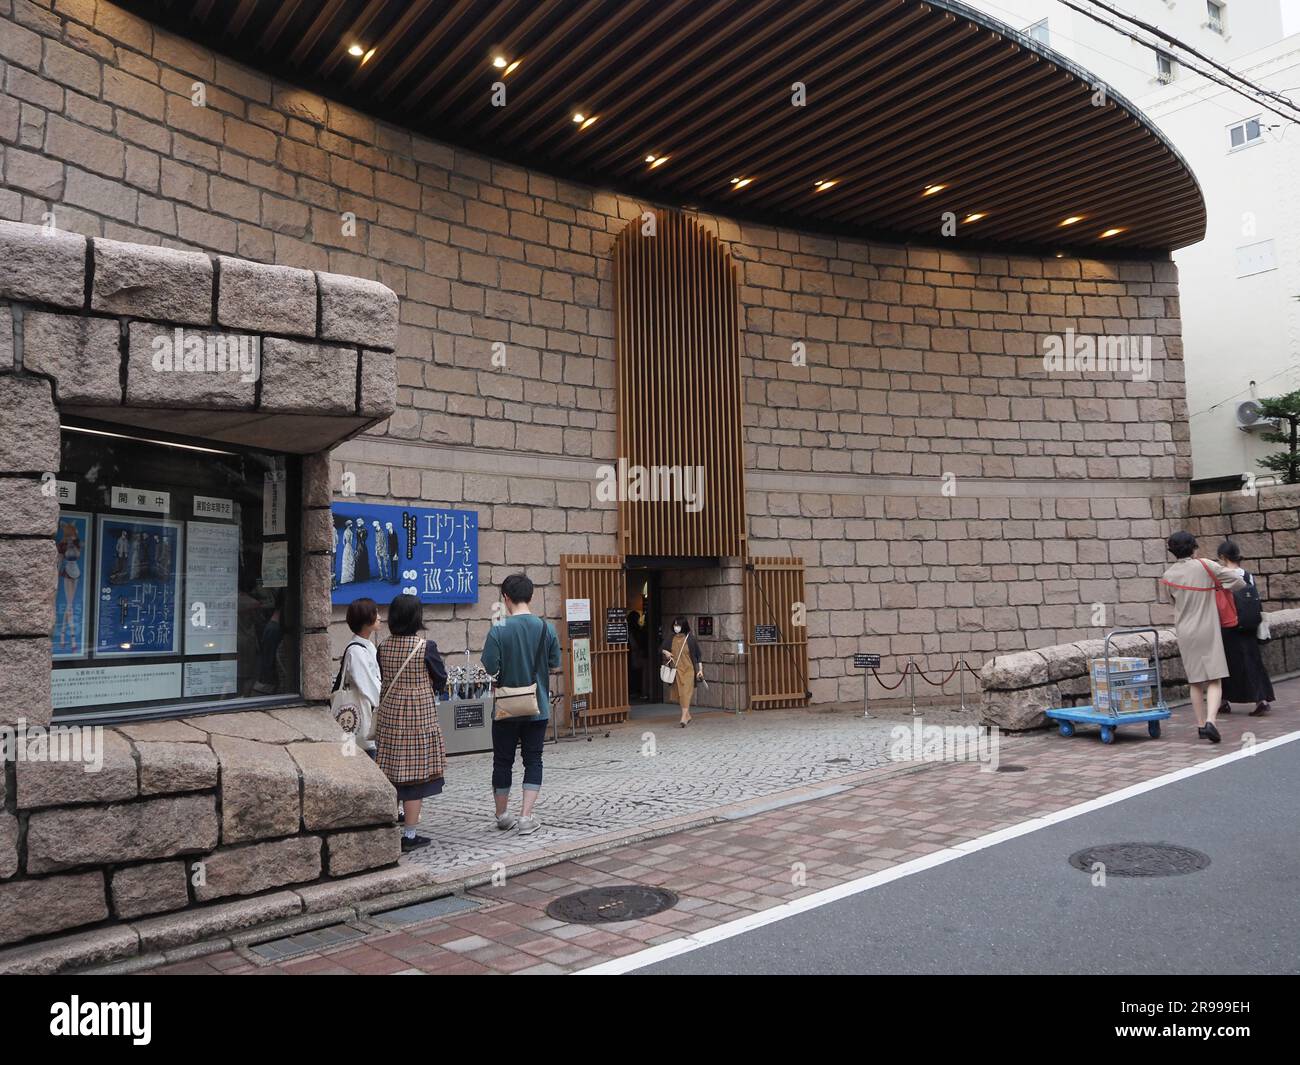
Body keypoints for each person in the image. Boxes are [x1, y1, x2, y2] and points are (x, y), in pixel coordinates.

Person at [481, 573, 560, 835]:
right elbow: (553, 663)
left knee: (502, 761)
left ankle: (503, 815)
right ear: (531, 595)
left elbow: (490, 666)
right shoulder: (546, 627)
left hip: (505, 708)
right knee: (533, 760)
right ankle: (526, 817)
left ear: (506, 597)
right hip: (536, 707)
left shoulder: (499, 628)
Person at [1159, 531, 1246, 744]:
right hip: (1208, 628)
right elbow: (1237, 581)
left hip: (1185, 630)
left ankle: (1199, 725)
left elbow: (1171, 602)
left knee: (1195, 680)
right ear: (1194, 547)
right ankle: (1211, 721)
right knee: (1214, 678)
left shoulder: (1168, 575)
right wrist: (1220, 586)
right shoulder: (1206, 565)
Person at [376, 593, 447, 852]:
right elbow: (440, 678)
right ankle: (410, 834)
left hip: (391, 713)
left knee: (392, 767)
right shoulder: (425, 647)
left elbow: (382, 676)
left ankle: (390, 820)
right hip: (418, 715)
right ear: (417, 617)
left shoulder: (382, 647)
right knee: (415, 775)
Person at [1215, 540, 1274, 717]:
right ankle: (1261, 699)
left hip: (1228, 625)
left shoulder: (1223, 576)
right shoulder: (1248, 575)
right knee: (1252, 662)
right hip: (1249, 624)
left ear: (1223, 557)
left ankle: (1224, 701)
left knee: (1225, 664)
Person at [335, 597, 382, 752]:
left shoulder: (365, 646)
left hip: (365, 711)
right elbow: (368, 685)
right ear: (366, 618)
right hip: (362, 713)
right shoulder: (356, 651)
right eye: (376, 613)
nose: (380, 617)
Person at [661, 615, 704, 727]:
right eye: (675, 625)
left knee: (685, 692)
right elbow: (661, 648)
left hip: (689, 670)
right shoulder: (671, 638)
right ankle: (687, 715)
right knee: (680, 694)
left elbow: (698, 655)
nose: (676, 627)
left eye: (678, 625)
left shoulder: (690, 639)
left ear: (683, 626)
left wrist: (700, 670)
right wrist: (666, 653)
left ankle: (683, 717)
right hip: (677, 670)